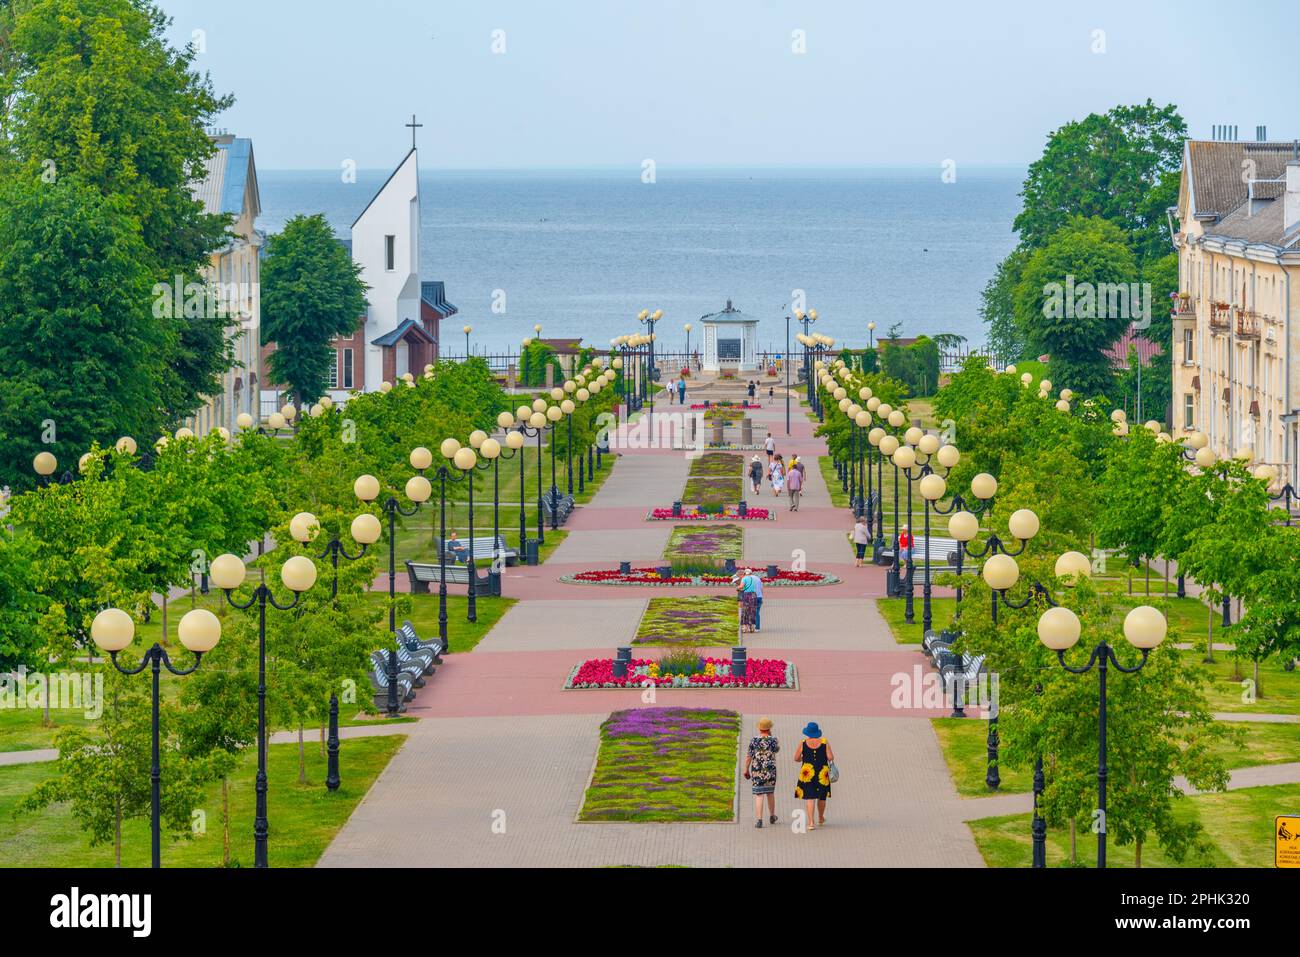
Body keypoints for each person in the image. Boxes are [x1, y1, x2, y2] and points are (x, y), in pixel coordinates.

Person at [794, 721, 835, 830]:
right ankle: (820, 818)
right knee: (822, 796)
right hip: (822, 772)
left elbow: (796, 758)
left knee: (810, 797)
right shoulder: (824, 742)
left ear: (807, 732)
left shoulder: (803, 743)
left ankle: (811, 822)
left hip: (807, 772)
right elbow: (831, 757)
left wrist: (803, 759)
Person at [743, 717, 780, 828]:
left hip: (757, 770)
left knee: (759, 795)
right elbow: (776, 750)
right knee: (770, 793)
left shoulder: (754, 740)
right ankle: (772, 816)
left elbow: (749, 756)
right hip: (770, 770)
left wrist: (746, 769)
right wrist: (772, 737)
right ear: (769, 728)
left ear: (759, 728)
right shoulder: (773, 740)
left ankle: (759, 820)